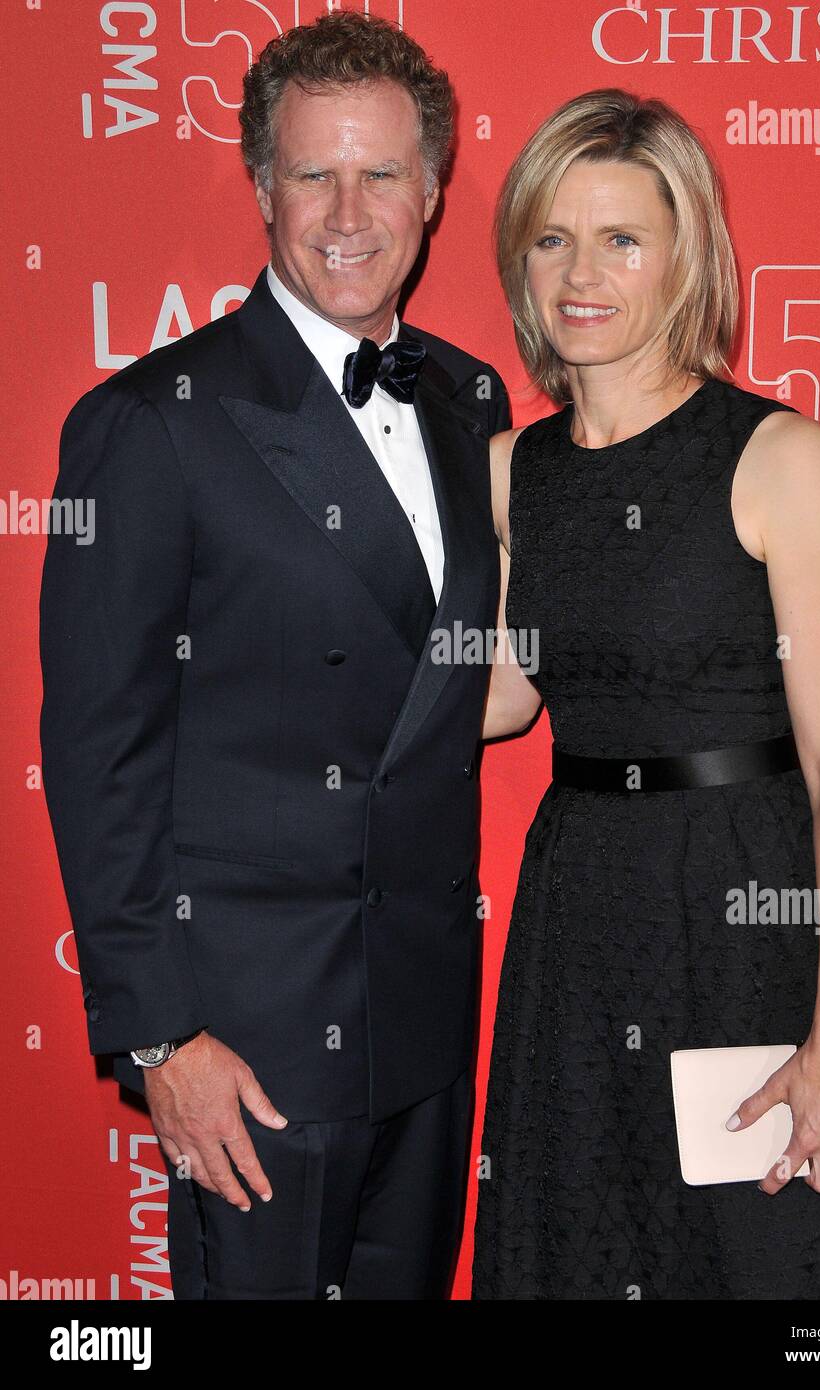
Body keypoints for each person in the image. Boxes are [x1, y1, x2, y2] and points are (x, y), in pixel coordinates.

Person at [39, 12, 510, 1300]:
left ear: (433, 188)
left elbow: (463, 681)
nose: (347, 211)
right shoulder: (150, 423)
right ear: (259, 187)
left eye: (381, 174)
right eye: (312, 172)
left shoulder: (472, 401)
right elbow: (95, 750)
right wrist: (159, 1033)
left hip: (422, 1017)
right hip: (246, 1043)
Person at [471, 89, 820, 1299]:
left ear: (685, 254)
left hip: (755, 916)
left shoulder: (777, 459)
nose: (580, 273)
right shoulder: (507, 469)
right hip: (583, 922)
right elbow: (496, 699)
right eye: (551, 238)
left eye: (621, 239)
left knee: (776, 1268)